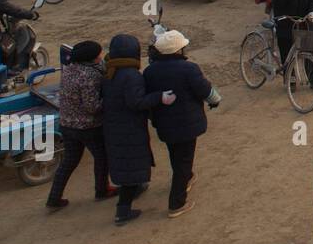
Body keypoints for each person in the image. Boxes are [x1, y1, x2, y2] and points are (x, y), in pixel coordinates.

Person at [143, 30, 220, 218]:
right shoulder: (189, 69)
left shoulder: (150, 71)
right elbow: (204, 89)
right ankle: (177, 203)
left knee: (176, 154)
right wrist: (215, 100)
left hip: (164, 123)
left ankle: (186, 177)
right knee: (184, 159)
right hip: (187, 123)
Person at [102, 33, 174, 226]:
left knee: (126, 166)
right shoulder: (131, 76)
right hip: (130, 129)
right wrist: (159, 97)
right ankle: (122, 211)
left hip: (114, 128)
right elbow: (136, 102)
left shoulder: (109, 73)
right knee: (131, 168)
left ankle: (134, 190)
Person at [45, 41, 115, 210]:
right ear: (92, 58)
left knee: (69, 161)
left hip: (67, 124)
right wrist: (111, 100)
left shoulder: (69, 69)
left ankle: (54, 198)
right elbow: (92, 107)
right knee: (102, 157)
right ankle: (102, 189)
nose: (100, 56)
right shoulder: (90, 75)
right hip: (88, 127)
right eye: (98, 54)